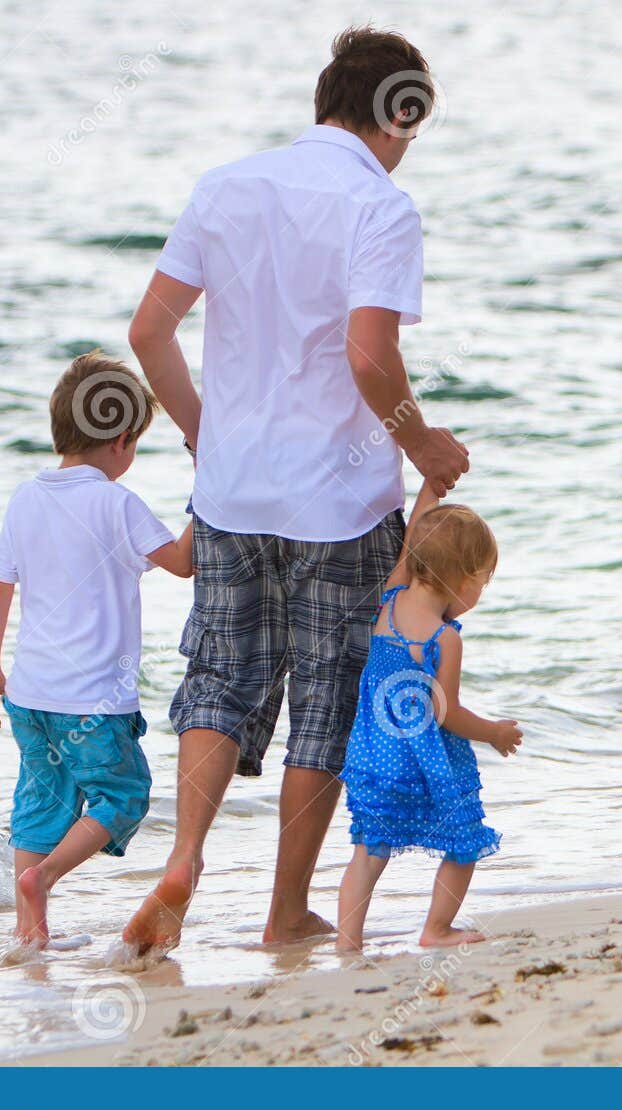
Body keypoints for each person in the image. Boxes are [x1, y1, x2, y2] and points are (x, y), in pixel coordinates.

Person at [123, 26, 469, 953]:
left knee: (218, 680)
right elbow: (369, 355)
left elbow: (149, 333)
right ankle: (283, 911)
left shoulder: (226, 186)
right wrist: (423, 440)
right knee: (324, 700)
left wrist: (203, 435)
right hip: (340, 503)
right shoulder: (381, 208)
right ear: (397, 114)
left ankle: (186, 858)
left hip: (232, 493)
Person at [0, 352, 193, 947]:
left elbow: (0, 588)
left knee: (41, 802)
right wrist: (205, 497)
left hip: (30, 694)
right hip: (93, 701)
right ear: (122, 440)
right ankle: (43, 878)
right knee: (123, 795)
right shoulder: (116, 503)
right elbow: (183, 562)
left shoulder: (25, 497)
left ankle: (31, 930)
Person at [336, 485, 521, 950]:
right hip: (429, 762)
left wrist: (430, 489)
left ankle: (347, 941)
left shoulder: (389, 600)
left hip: (375, 755)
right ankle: (436, 929)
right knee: (464, 842)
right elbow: (447, 712)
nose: (480, 591)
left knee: (367, 854)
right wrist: (494, 733)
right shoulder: (445, 638)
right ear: (461, 579)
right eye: (481, 580)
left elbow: (409, 545)